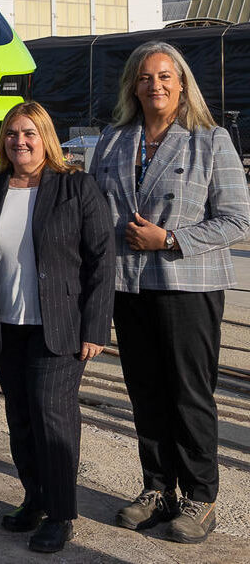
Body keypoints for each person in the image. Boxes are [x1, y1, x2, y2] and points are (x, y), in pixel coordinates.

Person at [91, 41, 250, 544]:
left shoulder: (210, 139)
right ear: (132, 86)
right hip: (129, 286)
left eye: (164, 77)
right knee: (145, 391)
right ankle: (157, 488)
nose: (154, 85)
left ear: (182, 84)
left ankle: (200, 498)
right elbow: (95, 211)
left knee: (188, 394)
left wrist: (172, 239)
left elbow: (237, 220)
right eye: (144, 77)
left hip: (187, 286)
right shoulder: (114, 139)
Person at [0, 102, 115, 553]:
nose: (19, 141)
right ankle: (35, 499)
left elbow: (102, 259)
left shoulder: (76, 187)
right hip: (5, 326)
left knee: (52, 418)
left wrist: (95, 327)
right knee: (20, 418)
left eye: (28, 133)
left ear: (45, 137)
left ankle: (62, 512)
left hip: (59, 328)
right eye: (11, 134)